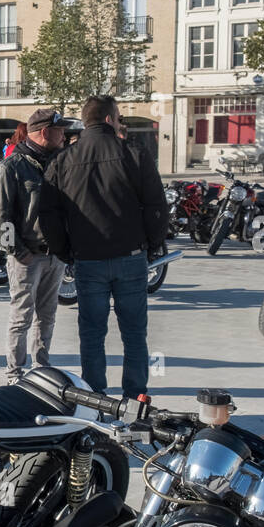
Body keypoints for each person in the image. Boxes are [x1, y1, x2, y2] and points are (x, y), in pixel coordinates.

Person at [41, 95, 167, 399]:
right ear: (110, 119)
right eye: (119, 117)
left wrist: (65, 250)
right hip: (130, 256)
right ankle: (135, 397)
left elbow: (48, 214)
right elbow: (156, 206)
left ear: (86, 122)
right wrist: (152, 244)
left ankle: (95, 397)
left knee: (92, 334)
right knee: (134, 333)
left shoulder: (62, 160)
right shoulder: (134, 154)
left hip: (88, 258)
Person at [0, 108, 70, 385]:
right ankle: (15, 374)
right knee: (22, 317)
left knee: (47, 316)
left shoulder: (60, 162)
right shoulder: (11, 167)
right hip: (27, 257)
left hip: (55, 256)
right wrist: (18, 251)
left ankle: (42, 368)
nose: (65, 136)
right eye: (60, 131)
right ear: (46, 132)